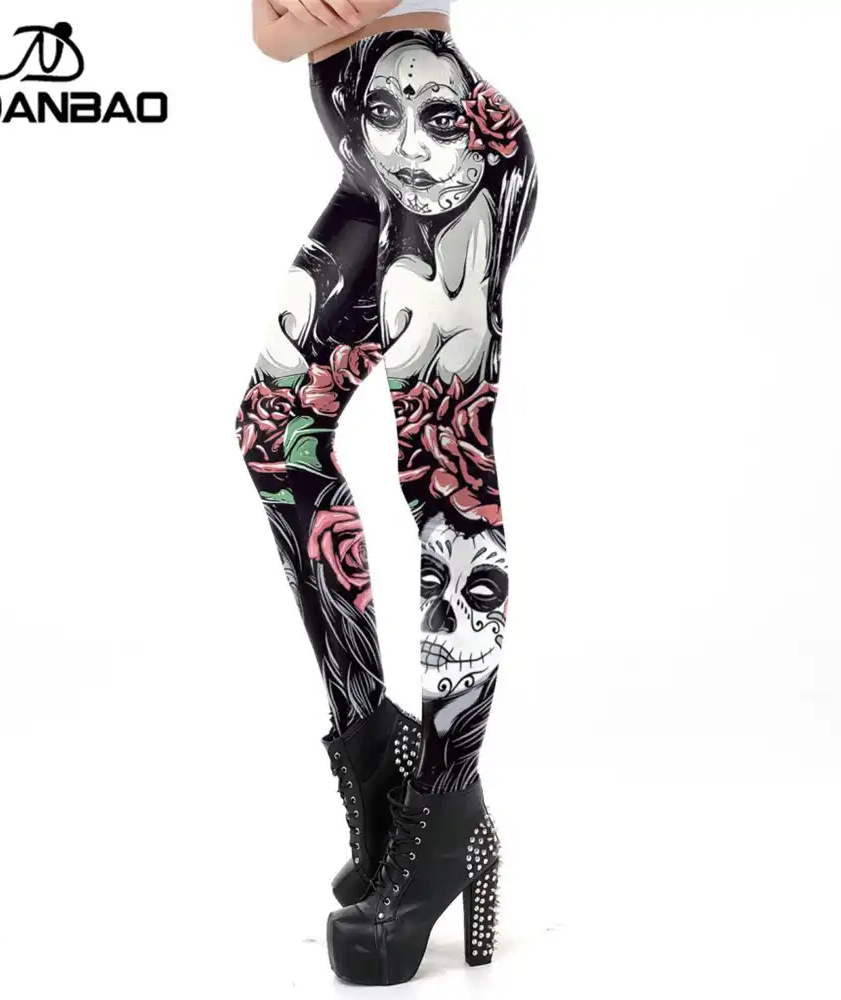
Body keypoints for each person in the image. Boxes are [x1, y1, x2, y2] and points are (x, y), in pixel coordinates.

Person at [238, 1, 538, 984]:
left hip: (446, 154)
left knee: (444, 466)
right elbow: (271, 31)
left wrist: (313, 15)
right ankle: (379, 760)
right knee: (275, 431)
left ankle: (445, 805)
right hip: (371, 172)